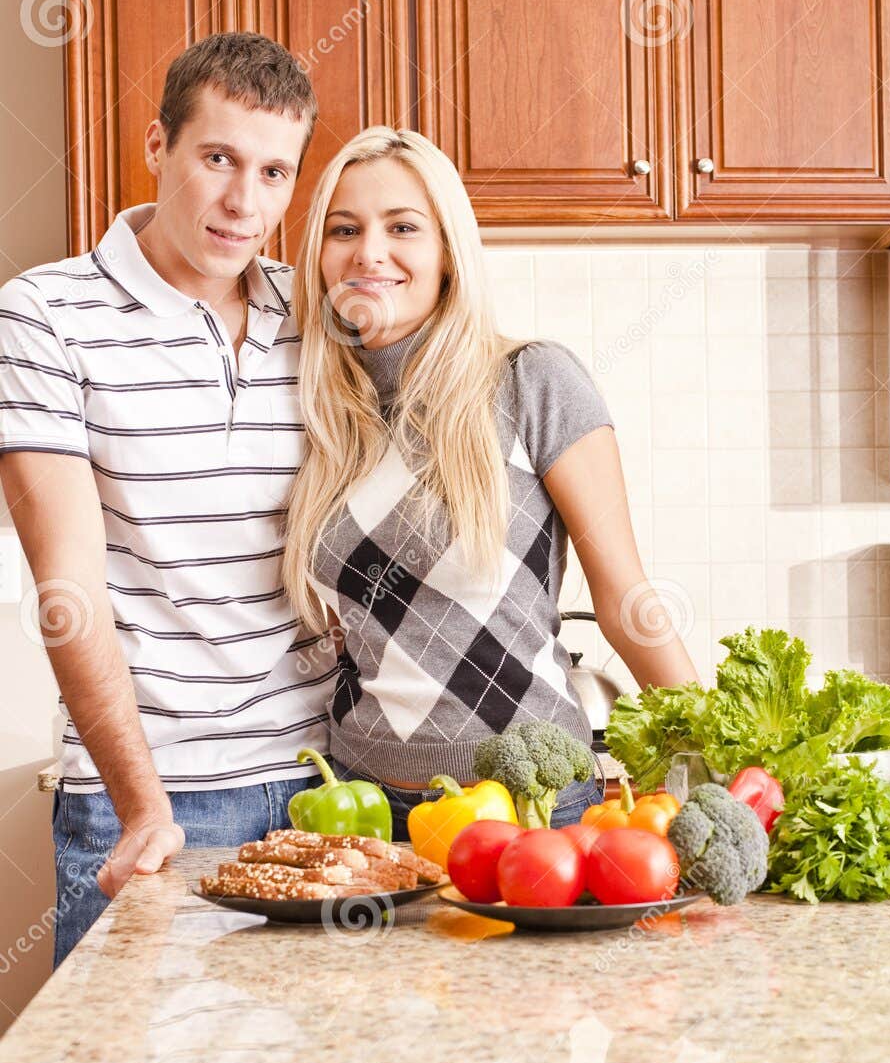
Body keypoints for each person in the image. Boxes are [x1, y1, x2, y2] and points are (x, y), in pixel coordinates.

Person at [0, 33, 336, 967]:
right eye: (218, 158)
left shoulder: (311, 316)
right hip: (146, 797)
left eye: (274, 172)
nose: (243, 202)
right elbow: (68, 590)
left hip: (319, 788)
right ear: (157, 146)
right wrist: (143, 806)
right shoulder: (44, 314)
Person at [282, 127, 699, 840]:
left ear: (447, 253)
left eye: (403, 227)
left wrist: (716, 755)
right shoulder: (320, 413)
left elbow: (625, 595)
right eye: (342, 229)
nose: (367, 253)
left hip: (529, 807)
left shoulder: (531, 381)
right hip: (360, 809)